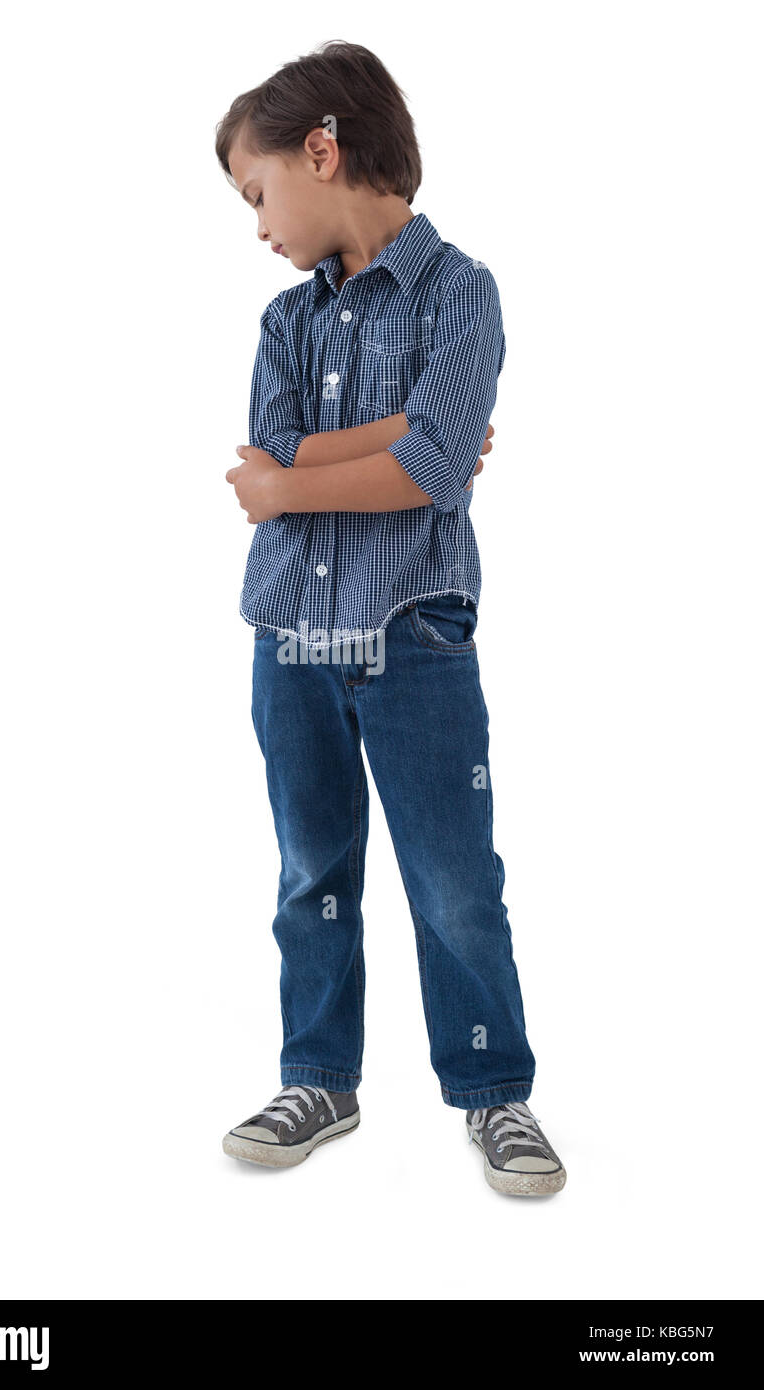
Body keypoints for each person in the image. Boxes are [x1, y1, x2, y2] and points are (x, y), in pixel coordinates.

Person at [216, 41, 566, 1196]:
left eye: (258, 191)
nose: (258, 225)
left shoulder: (461, 291)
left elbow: (425, 473)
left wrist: (339, 470)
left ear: (322, 148)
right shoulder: (284, 321)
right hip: (290, 639)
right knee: (309, 866)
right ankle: (319, 1070)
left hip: (415, 637)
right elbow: (322, 458)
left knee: (453, 876)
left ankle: (493, 1091)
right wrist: (404, 441)